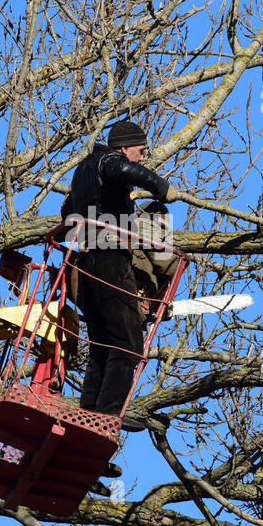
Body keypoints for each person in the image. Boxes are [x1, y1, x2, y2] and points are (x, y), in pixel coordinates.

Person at [60, 120, 180, 416]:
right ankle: (108, 415)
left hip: (87, 265)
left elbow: (67, 217)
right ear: (124, 147)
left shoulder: (82, 173)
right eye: (140, 150)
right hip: (110, 259)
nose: (142, 156)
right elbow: (124, 168)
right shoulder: (108, 160)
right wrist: (160, 187)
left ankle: (86, 416)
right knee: (128, 345)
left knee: (103, 347)